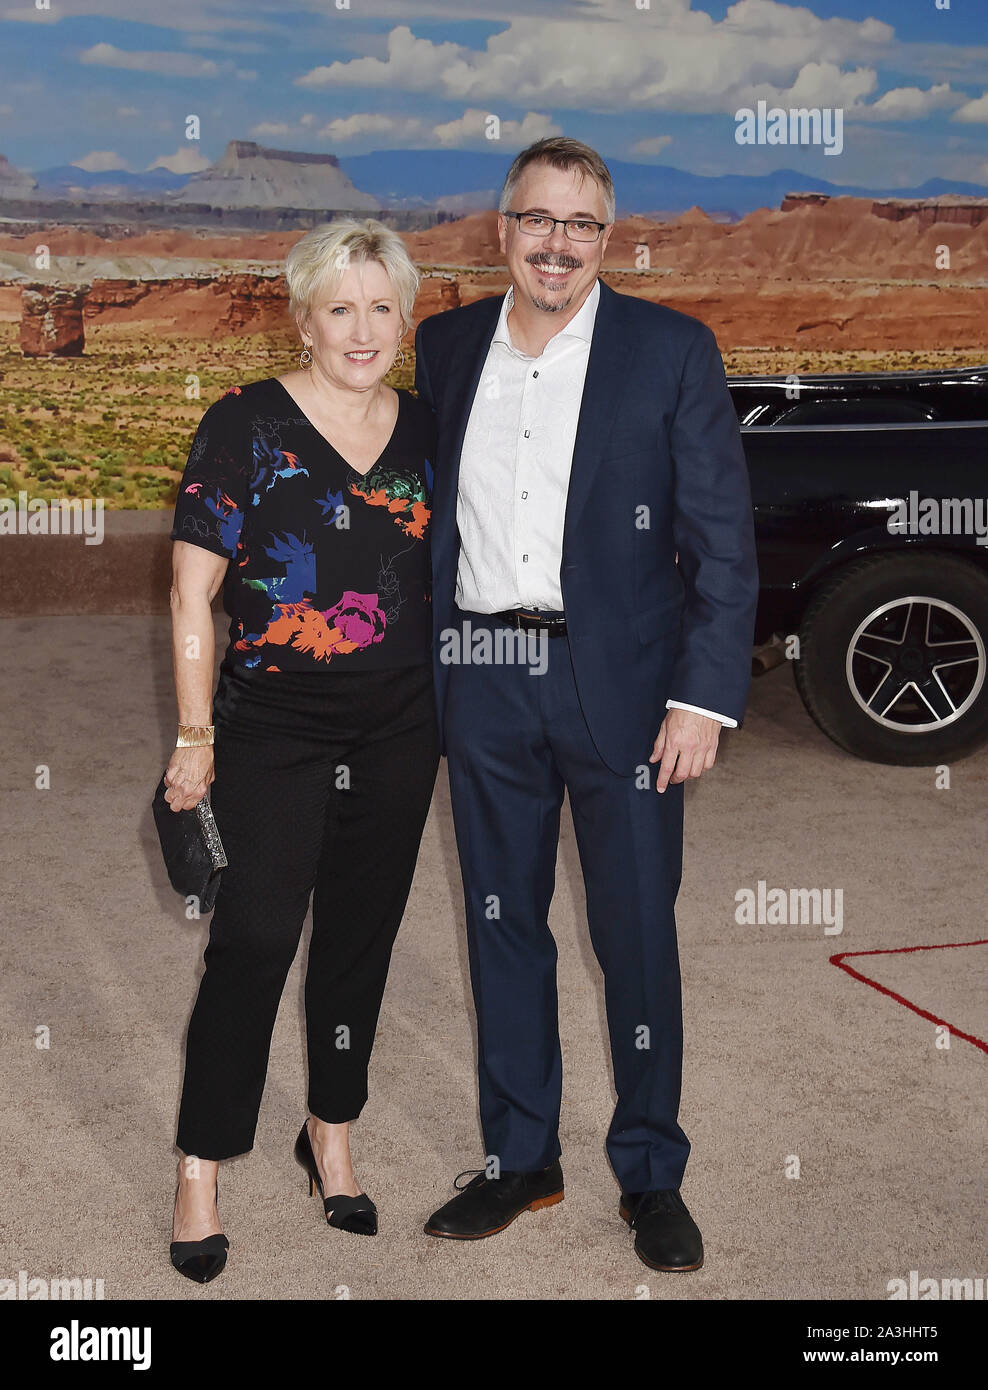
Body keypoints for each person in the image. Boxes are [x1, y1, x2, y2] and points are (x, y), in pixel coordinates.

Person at [415, 138, 758, 1271]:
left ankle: (651, 1171)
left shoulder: (669, 350)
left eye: (581, 224)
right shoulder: (447, 344)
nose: (557, 242)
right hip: (483, 678)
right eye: (537, 219)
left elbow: (721, 541)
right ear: (500, 227)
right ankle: (523, 1158)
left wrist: (701, 698)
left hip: (620, 686)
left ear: (607, 239)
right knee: (501, 926)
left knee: (635, 938)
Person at [164, 217, 439, 1283]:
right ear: (303, 317)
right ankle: (202, 1159)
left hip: (402, 726)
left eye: (381, 306)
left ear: (405, 318)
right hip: (273, 725)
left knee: (360, 941)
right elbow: (192, 589)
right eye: (340, 307)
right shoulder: (245, 422)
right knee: (255, 941)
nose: (361, 329)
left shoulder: (426, 428)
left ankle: (331, 1131)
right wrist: (195, 736)